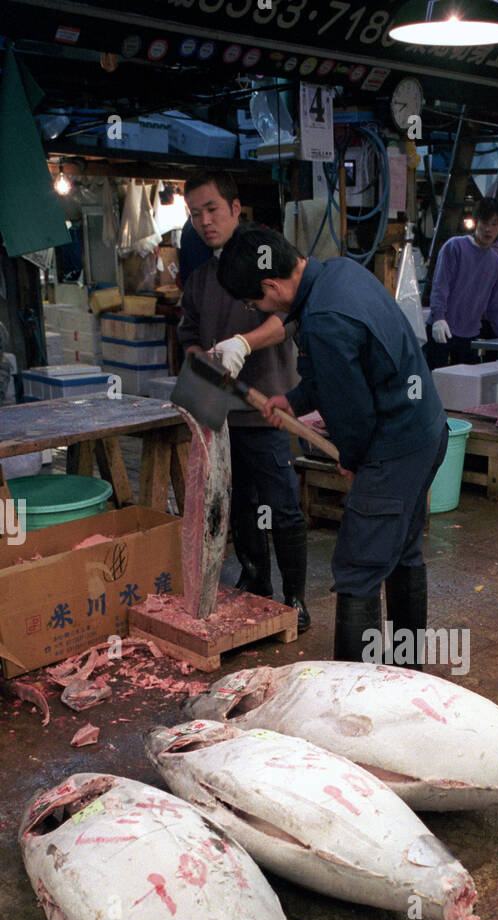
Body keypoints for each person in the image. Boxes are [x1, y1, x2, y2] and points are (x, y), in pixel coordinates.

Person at [217, 226, 449, 665]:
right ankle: (408, 672)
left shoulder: (324, 320)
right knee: (401, 553)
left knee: (358, 569)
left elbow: (353, 412)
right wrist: (295, 399)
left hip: (396, 443)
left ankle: (350, 694)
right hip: (425, 430)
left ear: (270, 285)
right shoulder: (339, 273)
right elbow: (342, 372)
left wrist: (352, 456)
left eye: (255, 303)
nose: (257, 310)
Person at [179, 172, 310, 630]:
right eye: (195, 213)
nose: (204, 220)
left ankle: (295, 600)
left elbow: (291, 318)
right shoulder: (198, 278)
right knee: (238, 508)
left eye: (212, 208)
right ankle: (258, 588)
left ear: (236, 208)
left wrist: (243, 343)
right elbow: (189, 336)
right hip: (221, 415)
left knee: (283, 505)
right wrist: (205, 360)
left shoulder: (268, 256)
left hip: (268, 408)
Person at [426, 197, 498, 368]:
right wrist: (438, 317)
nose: (488, 229)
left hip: (469, 337)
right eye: (485, 222)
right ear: (476, 222)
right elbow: (440, 286)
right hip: (442, 331)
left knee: (465, 388)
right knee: (437, 383)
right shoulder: (455, 247)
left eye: (494, 224)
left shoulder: (497, 265)